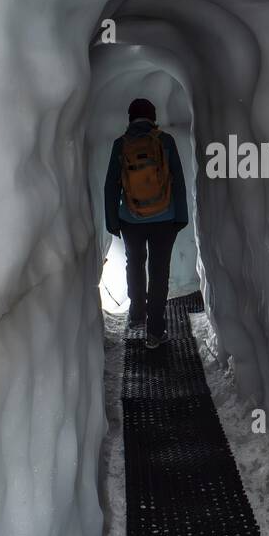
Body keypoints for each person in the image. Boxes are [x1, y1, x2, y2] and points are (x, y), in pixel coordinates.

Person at [104, 98, 189, 348]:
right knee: (159, 271)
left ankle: (137, 315)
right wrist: (181, 216)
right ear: (153, 117)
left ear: (130, 118)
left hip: (131, 219)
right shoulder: (166, 141)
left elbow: (111, 186)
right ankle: (155, 332)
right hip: (165, 218)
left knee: (135, 263)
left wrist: (113, 221)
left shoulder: (121, 145)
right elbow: (178, 179)